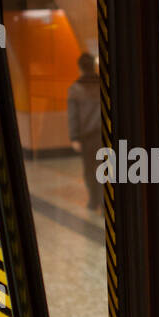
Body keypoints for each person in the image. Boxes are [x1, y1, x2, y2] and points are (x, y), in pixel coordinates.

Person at [66, 51, 102, 210]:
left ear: (80, 68)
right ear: (94, 67)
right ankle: (103, 202)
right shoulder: (103, 84)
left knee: (89, 170)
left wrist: (74, 137)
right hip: (103, 136)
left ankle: (94, 201)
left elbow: (73, 116)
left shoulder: (75, 89)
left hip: (86, 137)